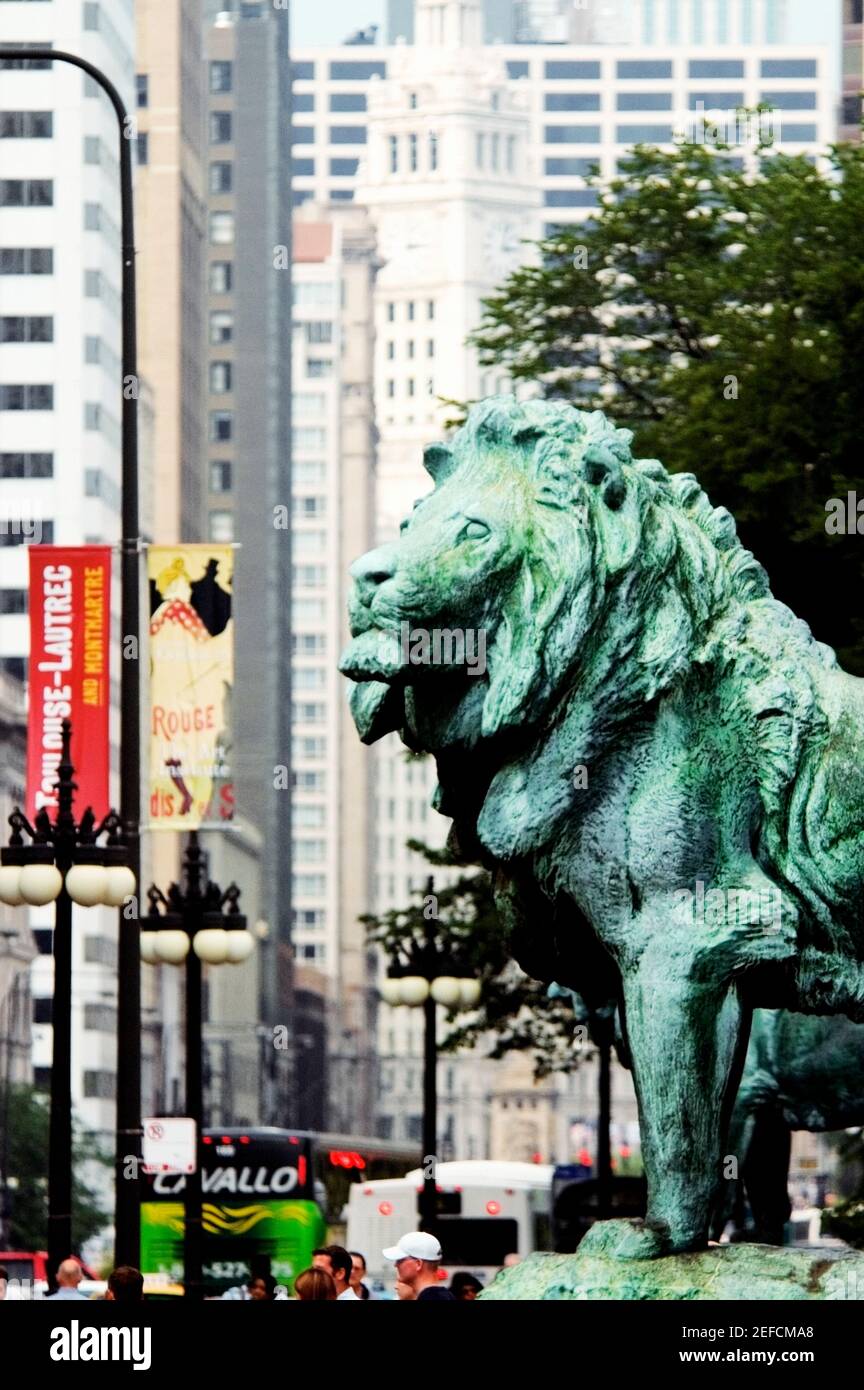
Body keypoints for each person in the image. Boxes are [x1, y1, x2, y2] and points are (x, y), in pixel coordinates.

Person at [382, 1232, 456, 1301]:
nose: (395, 1265)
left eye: (400, 1260)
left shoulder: (431, 1297)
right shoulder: (444, 1295)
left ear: (418, 1264)